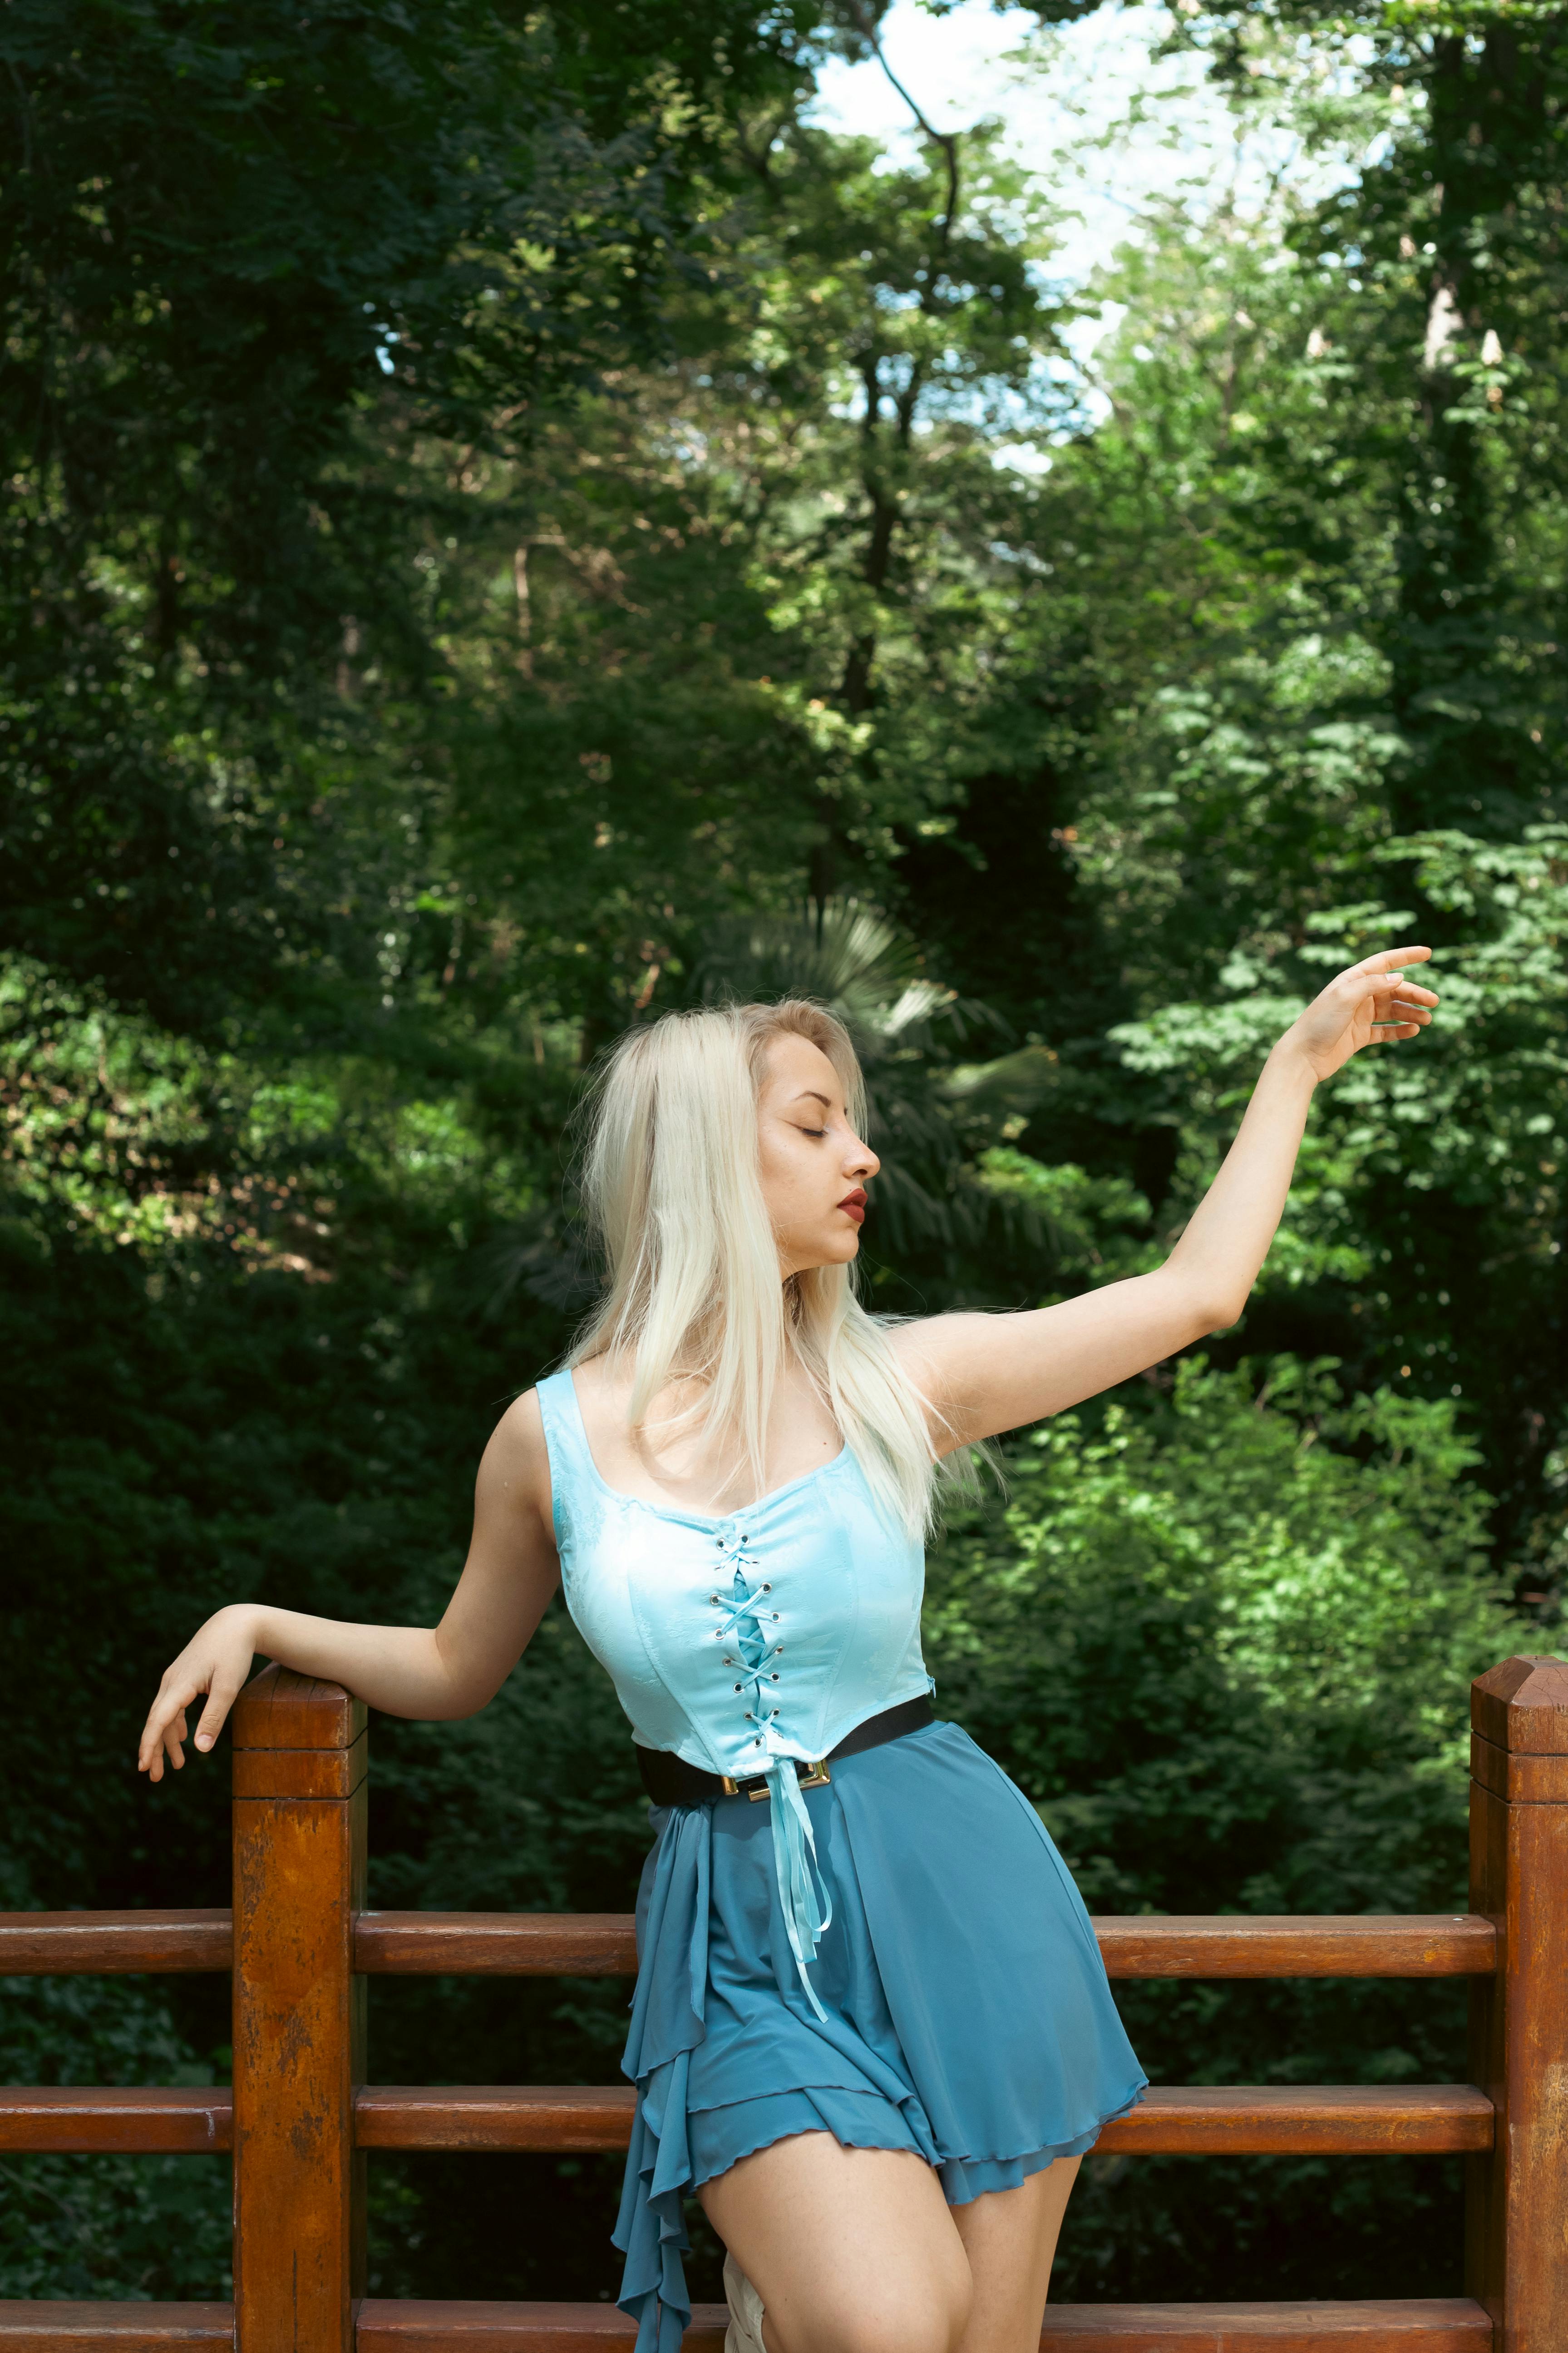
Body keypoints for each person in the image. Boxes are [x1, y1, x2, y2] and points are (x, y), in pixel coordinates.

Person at [138, 946, 1437, 2353]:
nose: (861, 1155)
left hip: (967, 1900)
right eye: (814, 1126)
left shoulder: (895, 1382)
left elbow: (1195, 1294)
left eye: (851, 1126)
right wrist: (260, 1621)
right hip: (734, 1944)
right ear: (703, 1156)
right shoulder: (547, 1440)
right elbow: (459, 1666)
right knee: (889, 2325)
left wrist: (1297, 1062)